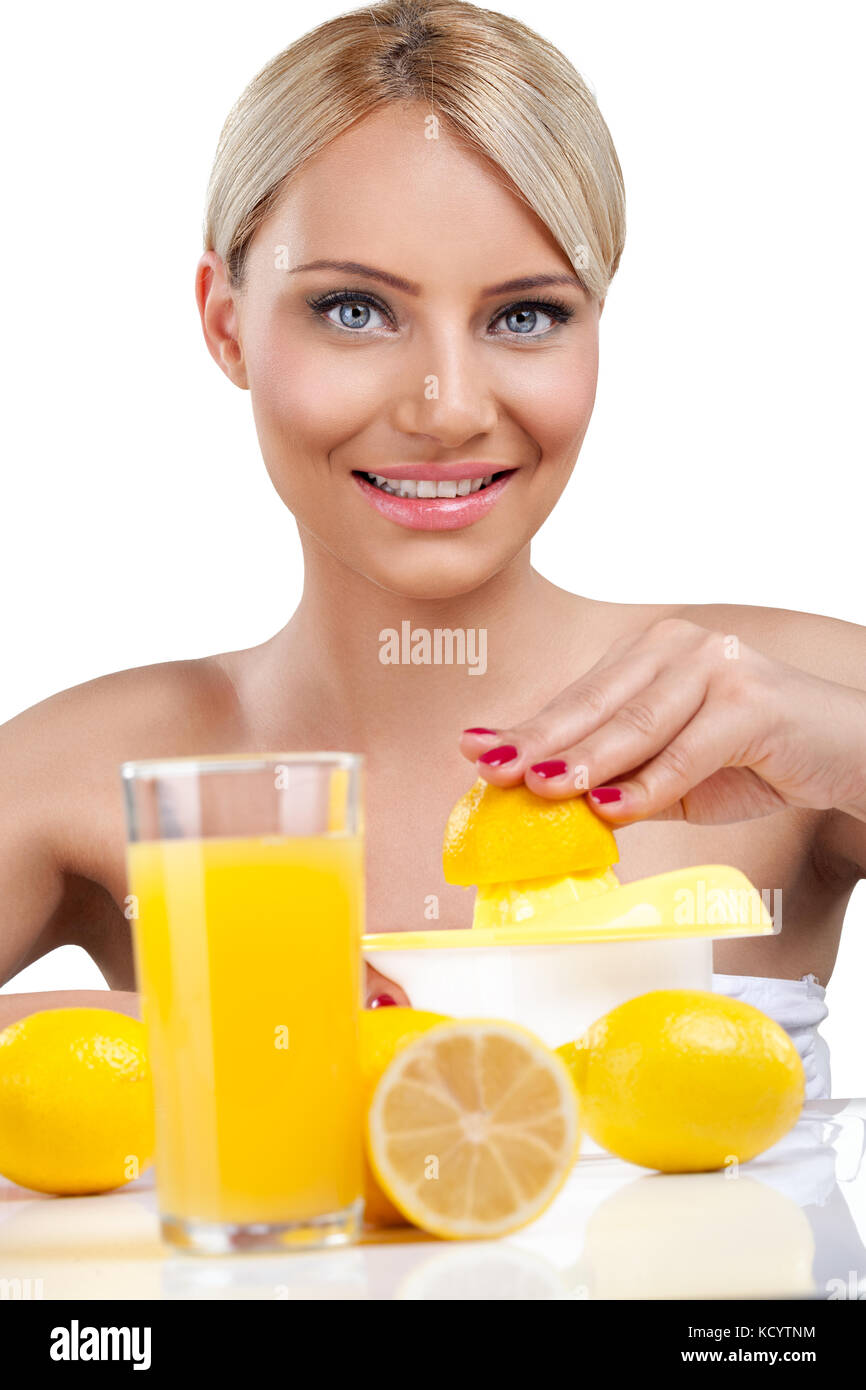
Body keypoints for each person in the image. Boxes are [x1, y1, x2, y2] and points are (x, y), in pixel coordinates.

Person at [1, 0, 863, 1102]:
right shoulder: (98, 774)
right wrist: (93, 1036)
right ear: (224, 323)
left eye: (522, 317)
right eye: (354, 309)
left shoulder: (782, 710)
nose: (448, 408)